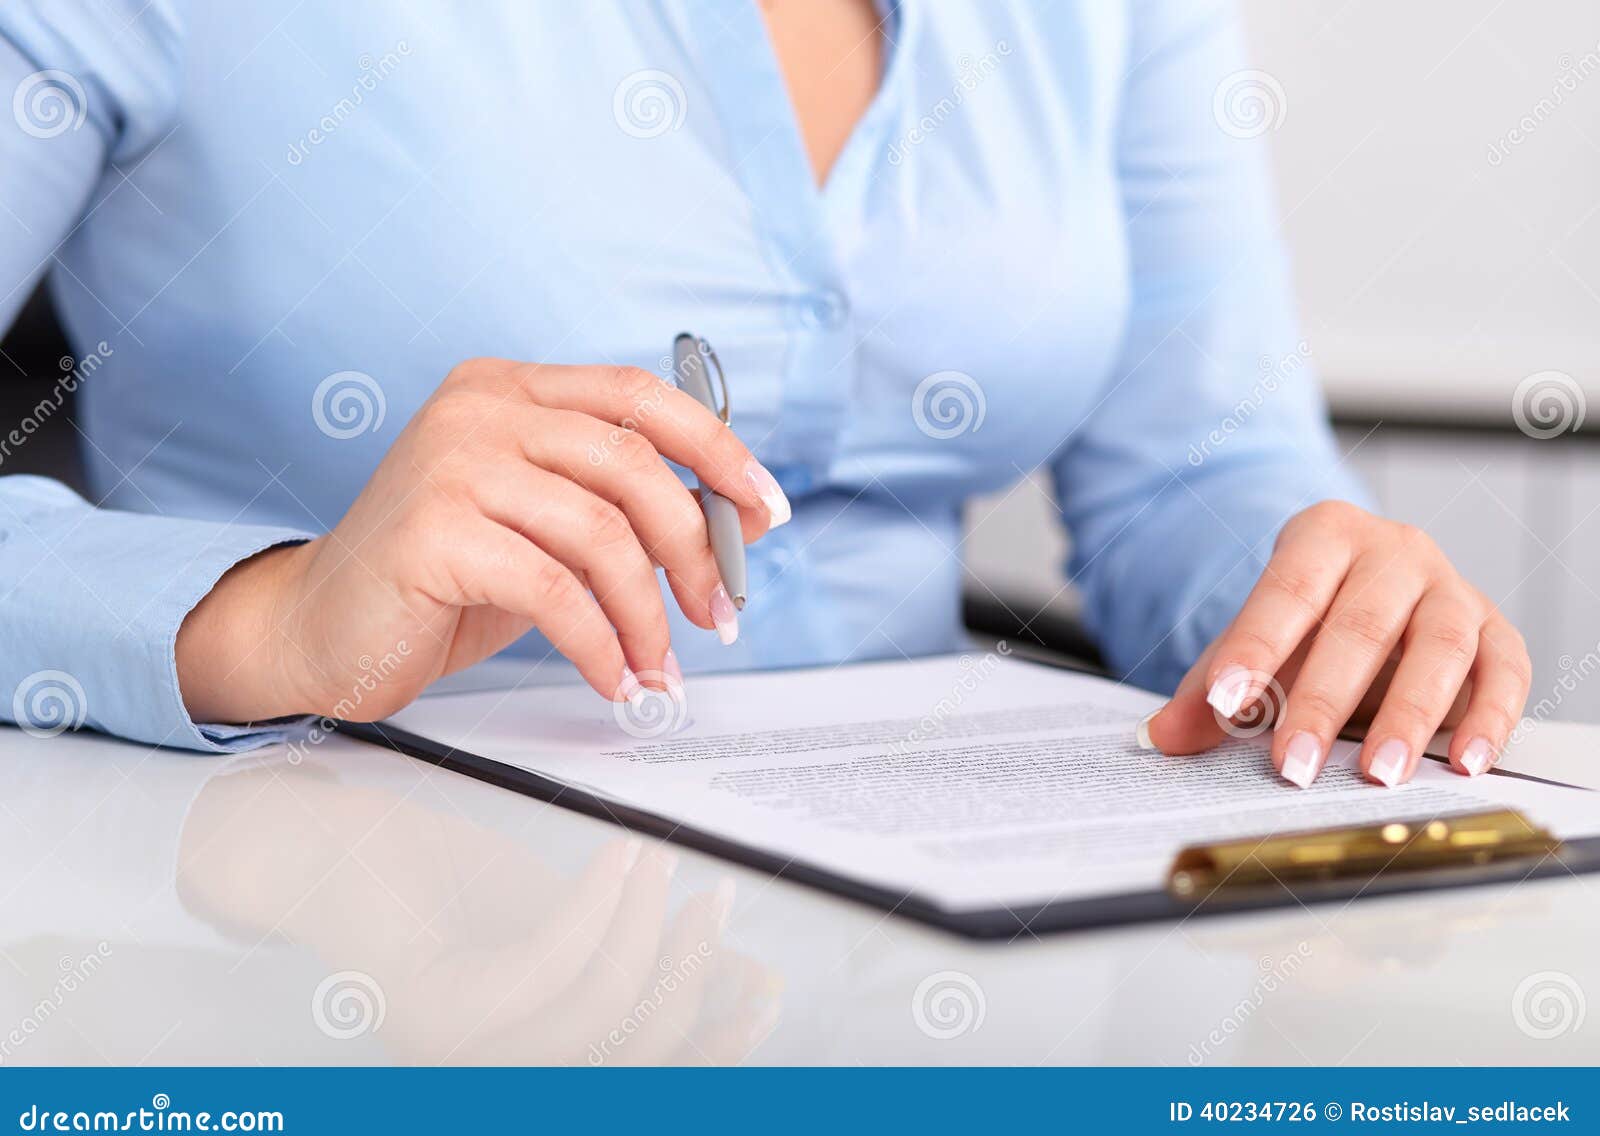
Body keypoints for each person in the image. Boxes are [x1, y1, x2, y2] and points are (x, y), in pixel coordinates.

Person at [0, 0, 1529, 788]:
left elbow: (1196, 473)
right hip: (313, 943)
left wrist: (1323, 613)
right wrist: (264, 616)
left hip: (965, 956)